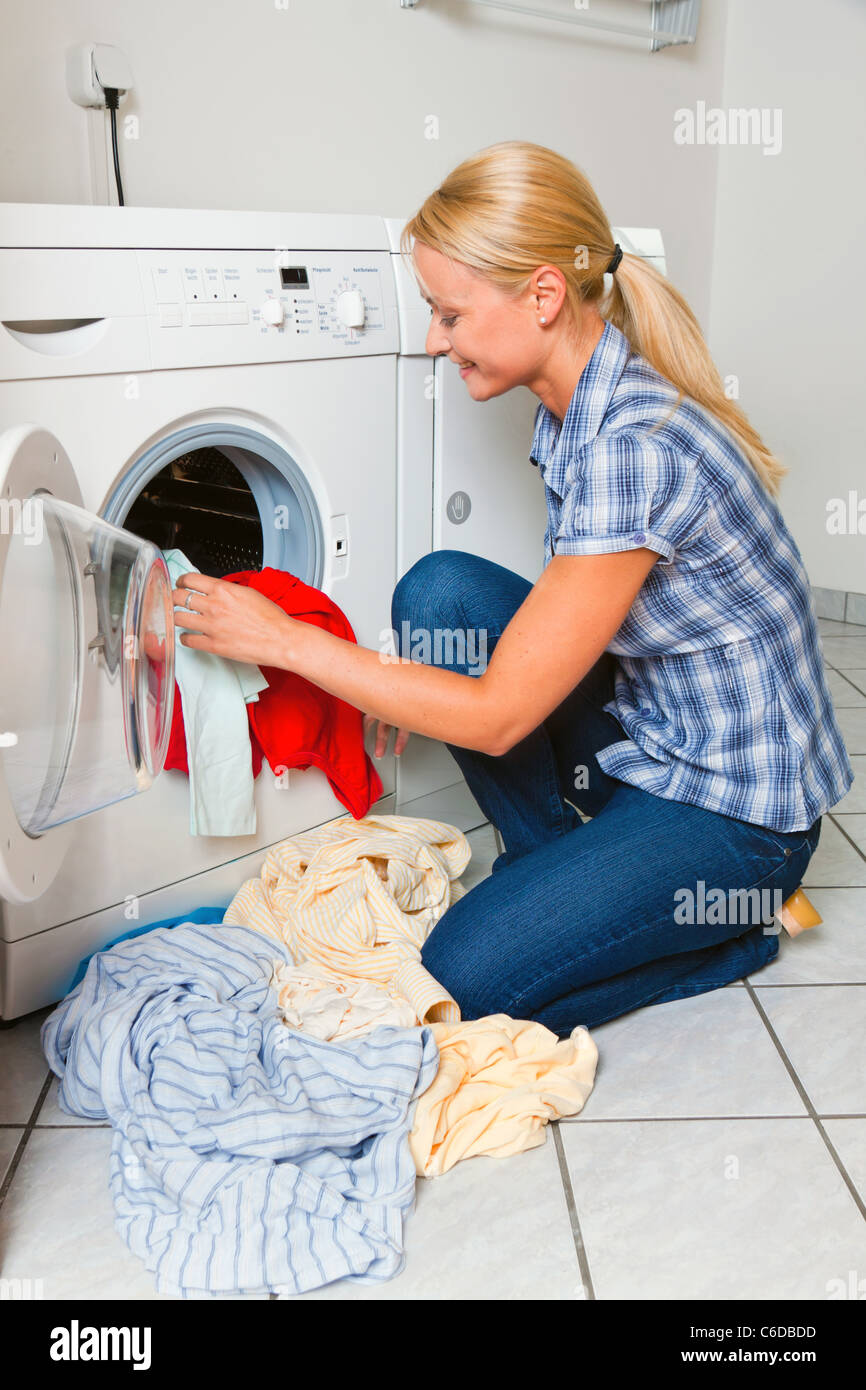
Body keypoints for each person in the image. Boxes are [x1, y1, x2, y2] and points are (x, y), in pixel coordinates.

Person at [171, 140, 853, 1036]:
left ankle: (731, 932)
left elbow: (498, 714)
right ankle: (557, 864)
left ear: (541, 295)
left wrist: (285, 640)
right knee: (442, 592)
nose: (434, 339)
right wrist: (401, 677)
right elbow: (563, 636)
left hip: (738, 820)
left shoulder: (630, 447)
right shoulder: (573, 405)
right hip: (654, 737)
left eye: (449, 314)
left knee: (466, 975)